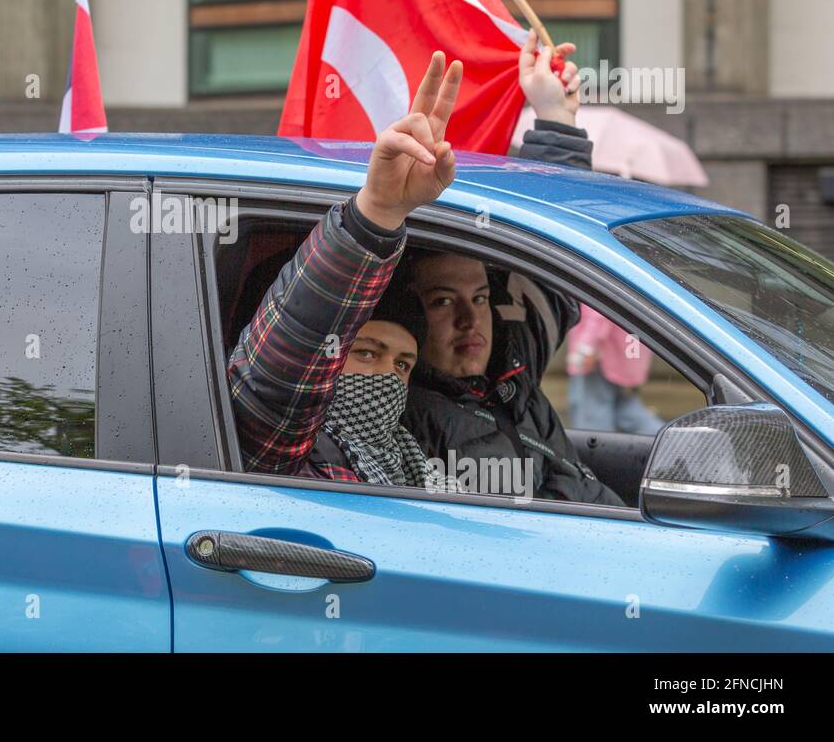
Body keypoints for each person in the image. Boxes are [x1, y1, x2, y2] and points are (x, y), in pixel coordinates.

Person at [229, 32, 621, 505]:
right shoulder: (291, 446)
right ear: (328, 360)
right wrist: (377, 211)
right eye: (368, 354)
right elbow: (288, 354)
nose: (386, 382)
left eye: (401, 363)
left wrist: (556, 122)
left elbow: (550, 276)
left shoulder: (479, 396)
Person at [399, 34, 623, 504]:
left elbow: (553, 255)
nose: (470, 319)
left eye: (479, 298)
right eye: (443, 302)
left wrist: (555, 119)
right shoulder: (401, 420)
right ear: (408, 316)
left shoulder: (510, 363)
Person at [566, 305, 664, 435]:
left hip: (603, 356)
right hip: (628, 353)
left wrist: (587, 346)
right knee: (627, 411)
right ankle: (669, 440)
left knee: (592, 417)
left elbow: (599, 308)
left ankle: (594, 455)